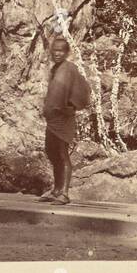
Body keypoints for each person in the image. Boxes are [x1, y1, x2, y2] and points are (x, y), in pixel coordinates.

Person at [39, 35, 91, 204]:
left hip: (64, 118)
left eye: (61, 51)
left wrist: (71, 107)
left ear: (67, 52)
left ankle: (65, 193)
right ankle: (56, 189)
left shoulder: (70, 68)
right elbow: (54, 93)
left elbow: (83, 90)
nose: (57, 53)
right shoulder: (55, 69)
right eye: (55, 50)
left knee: (62, 153)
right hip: (53, 118)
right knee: (51, 151)